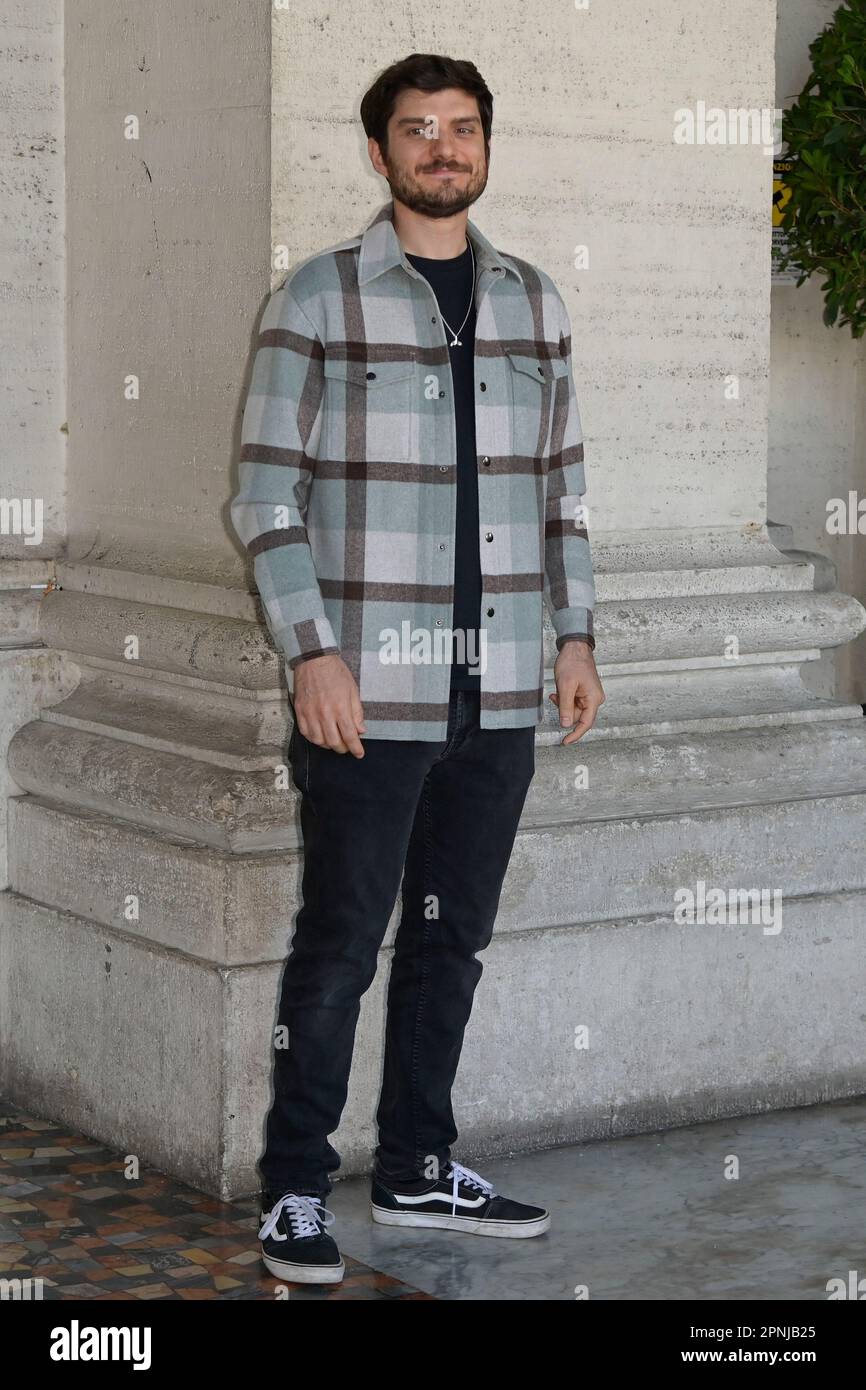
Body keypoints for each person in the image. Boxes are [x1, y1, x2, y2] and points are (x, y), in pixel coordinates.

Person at [230, 52, 605, 1284]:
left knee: (453, 938)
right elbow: (262, 496)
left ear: (485, 146)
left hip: (495, 688)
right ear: (377, 150)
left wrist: (575, 634)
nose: (440, 148)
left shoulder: (532, 301)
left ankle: (413, 1166)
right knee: (339, 941)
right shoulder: (317, 297)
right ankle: (294, 1186)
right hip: (365, 690)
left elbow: (560, 492)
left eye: (460, 129)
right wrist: (312, 655)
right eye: (415, 129)